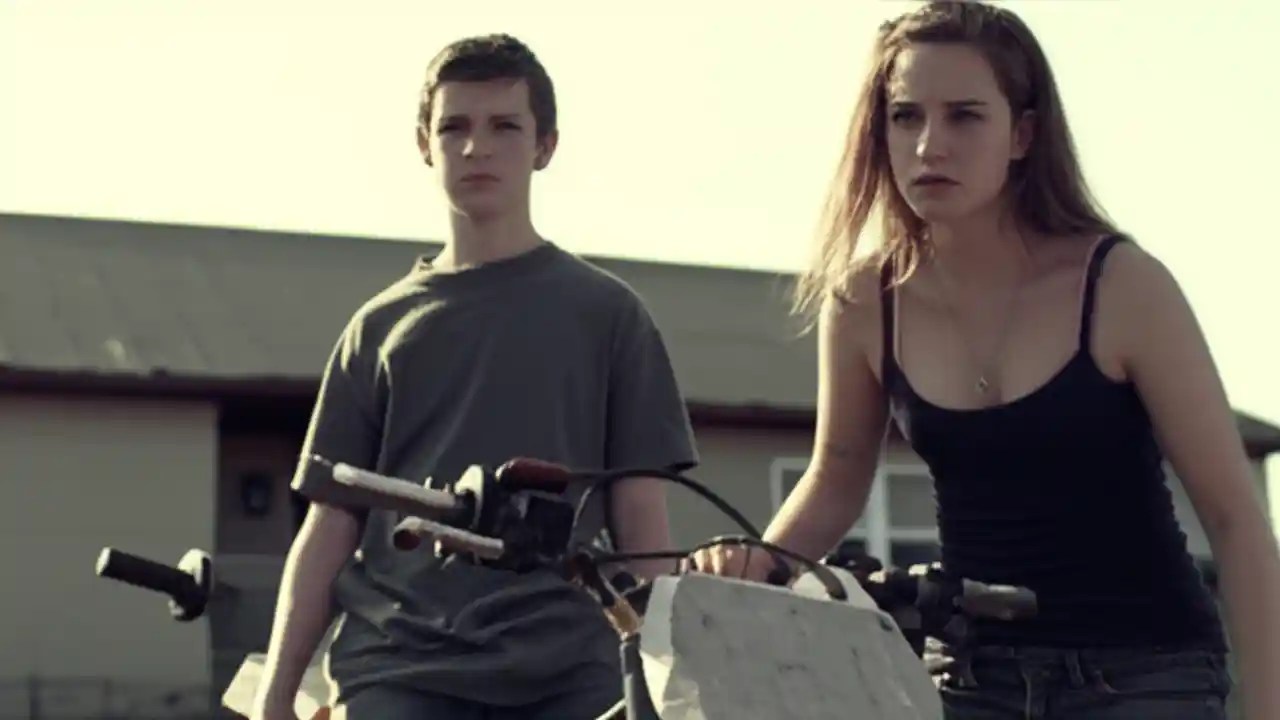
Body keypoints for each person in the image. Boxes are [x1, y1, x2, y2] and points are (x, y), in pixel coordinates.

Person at [690, 2, 1280, 718]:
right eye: (906, 116)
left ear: (1022, 134)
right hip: (972, 676)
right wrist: (753, 565)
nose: (930, 145)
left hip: (1147, 674)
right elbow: (836, 475)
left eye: (965, 116)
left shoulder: (1122, 284)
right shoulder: (865, 299)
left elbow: (1235, 518)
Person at [250, 34, 699, 720]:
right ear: (425, 144)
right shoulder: (379, 327)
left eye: (503, 126)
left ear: (545, 145)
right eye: (453, 126)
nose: (475, 147)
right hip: (403, 665)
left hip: (572, 668)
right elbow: (329, 524)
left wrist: (679, 680)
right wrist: (275, 698)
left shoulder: (610, 315)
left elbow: (643, 522)